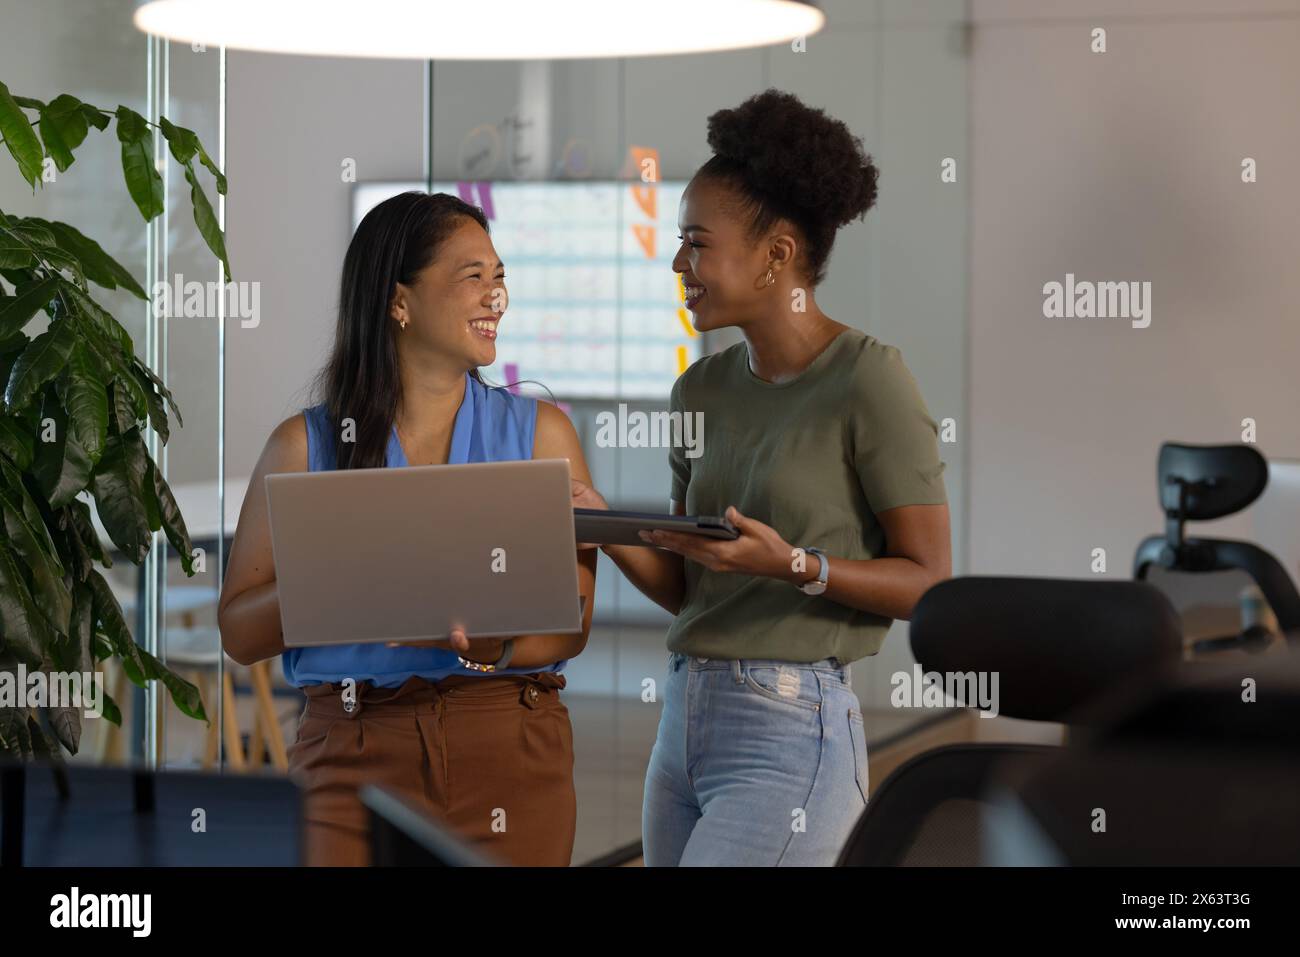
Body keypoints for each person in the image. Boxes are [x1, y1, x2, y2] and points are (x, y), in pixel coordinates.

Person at [572, 89, 952, 865]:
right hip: (682, 720)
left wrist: (798, 565)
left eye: (696, 243)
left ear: (777, 254)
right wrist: (598, 522)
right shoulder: (699, 390)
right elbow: (689, 587)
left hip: (788, 728)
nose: (680, 263)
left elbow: (929, 583)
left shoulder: (867, 380)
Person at [218, 191, 597, 866]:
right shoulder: (302, 447)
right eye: (472, 277)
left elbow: (571, 621)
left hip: (506, 745)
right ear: (399, 302)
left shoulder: (544, 434)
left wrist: (493, 645)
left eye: (500, 277)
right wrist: (350, 578)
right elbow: (240, 631)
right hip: (350, 749)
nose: (495, 297)